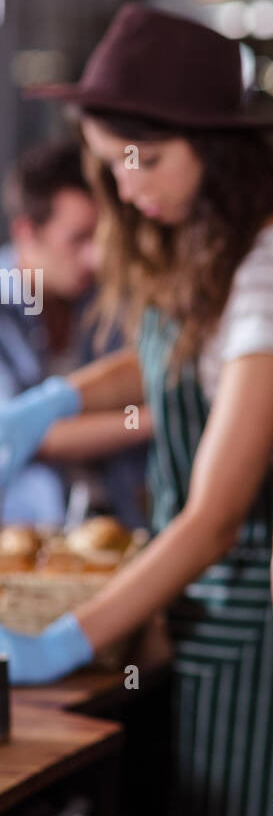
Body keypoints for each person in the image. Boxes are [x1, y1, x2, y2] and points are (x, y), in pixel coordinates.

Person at [0, 3, 273, 816]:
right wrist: (49, 404)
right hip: (204, 627)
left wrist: (65, 641)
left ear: (210, 144)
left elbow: (215, 512)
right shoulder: (203, 244)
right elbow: (170, 360)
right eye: (112, 164)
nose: (128, 183)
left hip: (270, 632)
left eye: (143, 158)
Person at [0, 139, 148, 528]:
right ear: (27, 232)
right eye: (78, 238)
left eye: (100, 237)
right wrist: (157, 419)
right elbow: (23, 434)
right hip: (23, 541)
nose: (95, 257)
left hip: (117, 525)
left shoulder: (105, 299)